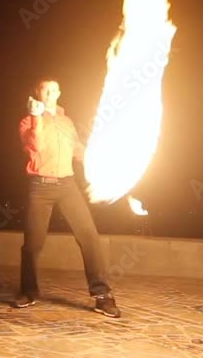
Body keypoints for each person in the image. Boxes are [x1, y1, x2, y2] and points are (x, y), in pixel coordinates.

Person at [14, 77, 121, 318]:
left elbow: (78, 151)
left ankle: (102, 295)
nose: (50, 93)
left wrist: (102, 160)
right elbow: (36, 146)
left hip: (68, 185)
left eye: (54, 90)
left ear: (59, 93)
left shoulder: (67, 122)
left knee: (89, 237)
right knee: (33, 244)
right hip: (40, 187)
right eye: (45, 89)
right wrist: (36, 117)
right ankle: (28, 291)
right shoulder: (27, 121)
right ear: (38, 92)